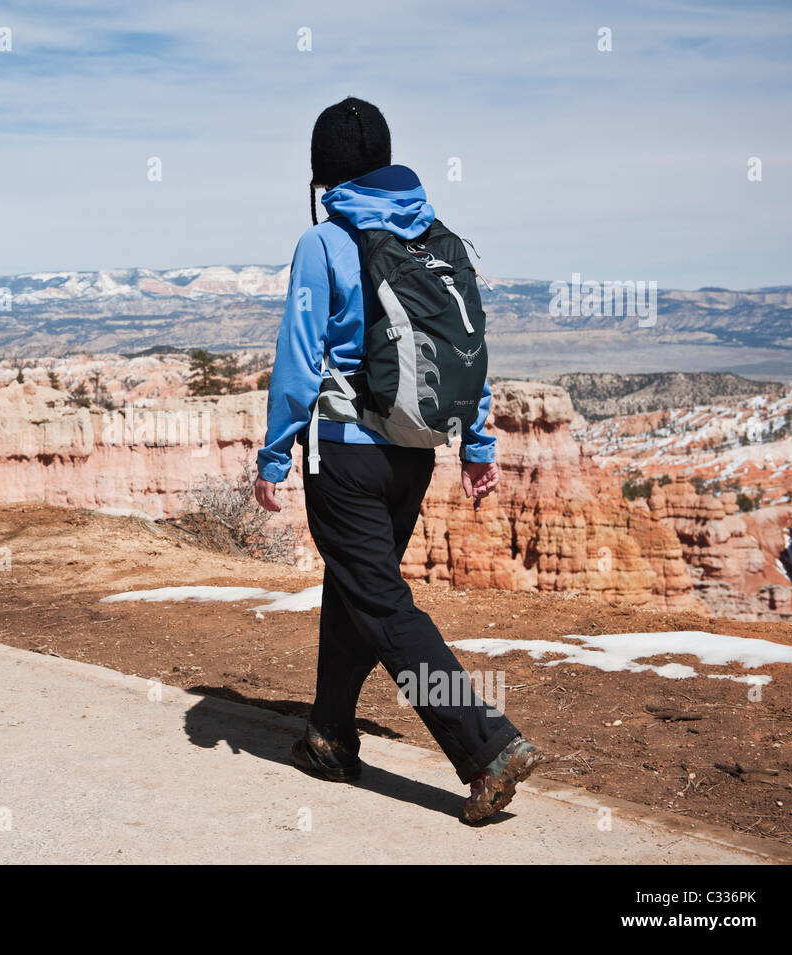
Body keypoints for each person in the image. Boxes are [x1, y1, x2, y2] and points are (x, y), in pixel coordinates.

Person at [254, 97, 543, 824]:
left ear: (323, 173)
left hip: (345, 454)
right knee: (358, 590)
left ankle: (486, 745)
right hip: (414, 453)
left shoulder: (324, 241)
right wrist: (478, 444)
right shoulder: (434, 234)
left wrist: (274, 452)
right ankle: (329, 736)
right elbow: (468, 348)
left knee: (383, 606)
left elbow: (297, 356)